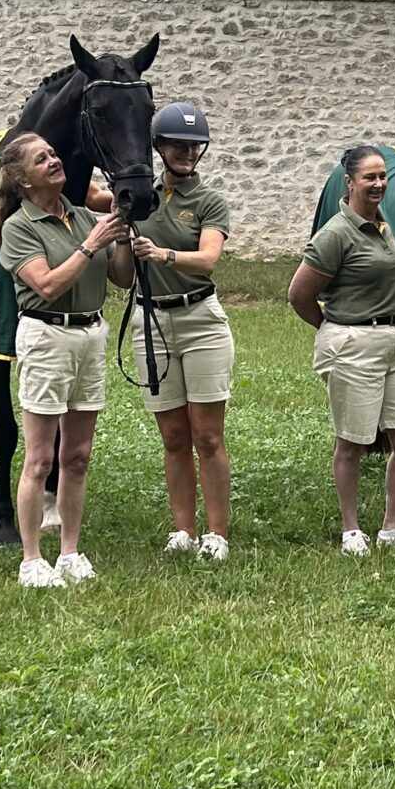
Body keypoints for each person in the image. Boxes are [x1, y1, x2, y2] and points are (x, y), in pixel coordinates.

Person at [288, 145, 395, 555]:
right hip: (354, 345)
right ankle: (350, 530)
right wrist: (329, 326)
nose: (379, 184)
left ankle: (391, 526)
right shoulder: (336, 235)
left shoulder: (382, 227)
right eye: (370, 178)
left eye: (383, 177)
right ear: (350, 182)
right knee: (353, 442)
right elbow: (298, 294)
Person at [0, 130, 133, 586]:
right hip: (46, 336)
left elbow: (120, 279)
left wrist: (123, 237)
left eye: (53, 154)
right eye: (42, 160)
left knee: (77, 455)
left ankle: (70, 551)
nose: (55, 161)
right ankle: (32, 559)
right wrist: (92, 243)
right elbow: (48, 285)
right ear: (22, 182)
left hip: (90, 334)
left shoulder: (78, 215)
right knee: (40, 458)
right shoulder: (19, 228)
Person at [127, 102, 236, 560]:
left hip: (200, 320)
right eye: (178, 144)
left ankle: (217, 533)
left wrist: (162, 254)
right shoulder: (140, 200)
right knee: (172, 437)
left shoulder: (209, 201)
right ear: (159, 148)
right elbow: (121, 275)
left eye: (194, 146)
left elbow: (208, 259)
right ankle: (182, 530)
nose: (187, 152)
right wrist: (120, 247)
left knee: (207, 435)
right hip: (150, 319)